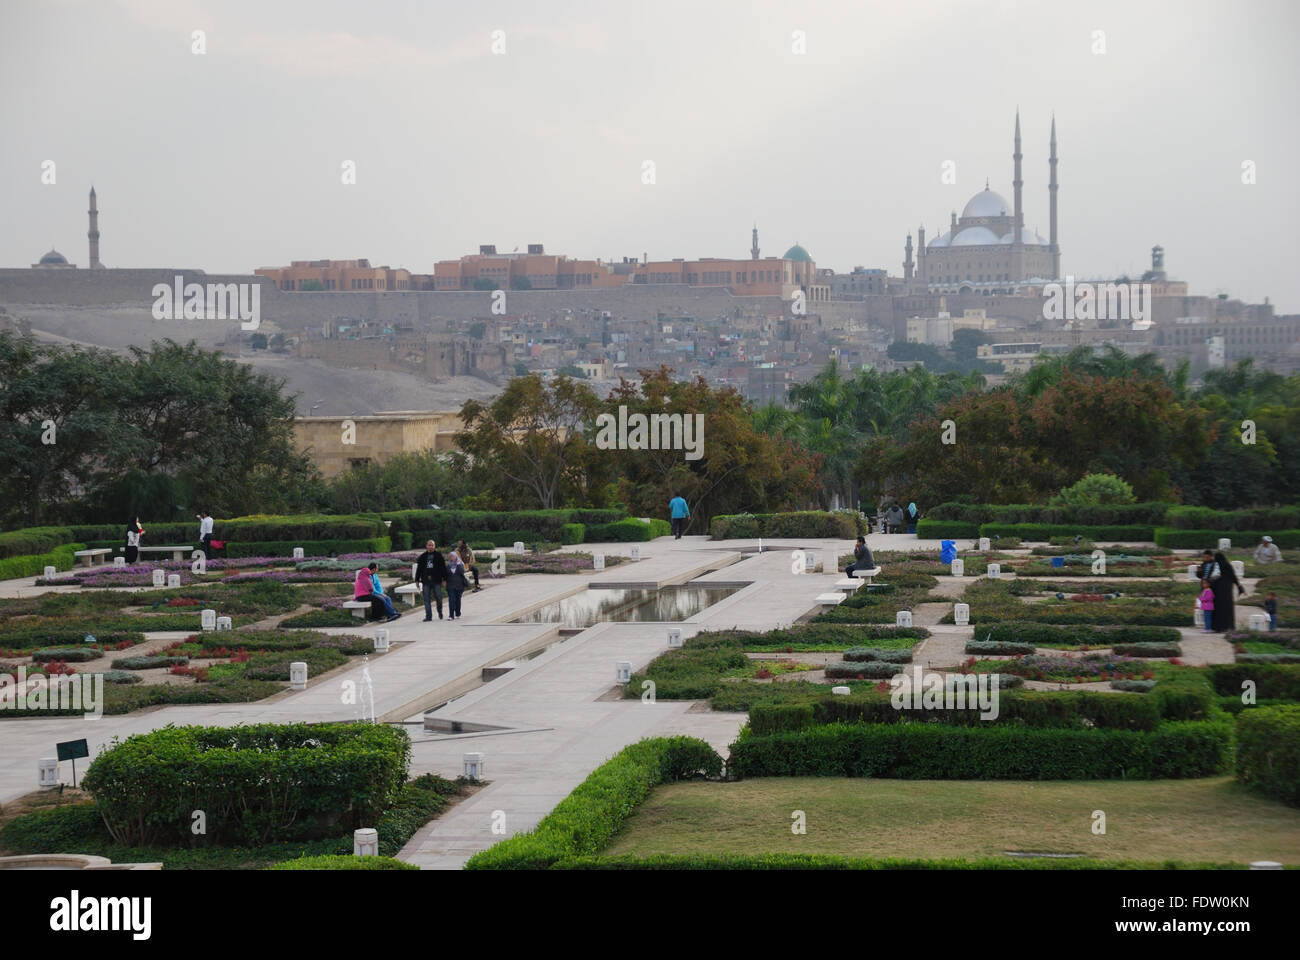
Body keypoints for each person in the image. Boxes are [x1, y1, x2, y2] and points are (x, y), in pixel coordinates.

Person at [1209, 550, 1245, 632]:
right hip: (1227, 591)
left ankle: (1218, 627)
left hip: (1217, 592)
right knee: (1227, 608)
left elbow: (1211, 578)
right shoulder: (1227, 565)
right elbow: (1233, 576)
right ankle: (1229, 626)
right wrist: (1239, 586)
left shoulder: (1215, 565)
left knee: (1218, 609)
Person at [414, 539, 448, 621]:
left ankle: (440, 611)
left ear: (434, 546)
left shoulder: (439, 555)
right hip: (426, 581)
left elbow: (443, 568)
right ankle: (428, 616)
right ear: (426, 546)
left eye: (432, 545)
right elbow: (419, 569)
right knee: (426, 599)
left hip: (437, 580)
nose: (430, 547)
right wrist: (417, 580)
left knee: (439, 598)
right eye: (429, 545)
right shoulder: (422, 557)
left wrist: (445, 579)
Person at [445, 550, 470, 620]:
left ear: (456, 557)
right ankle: (451, 615)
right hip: (450, 585)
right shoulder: (448, 565)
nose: (451, 558)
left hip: (459, 585)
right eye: (450, 556)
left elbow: (462, 572)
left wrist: (459, 564)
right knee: (451, 600)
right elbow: (445, 575)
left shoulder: (460, 564)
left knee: (458, 600)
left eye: (452, 556)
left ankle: (458, 613)